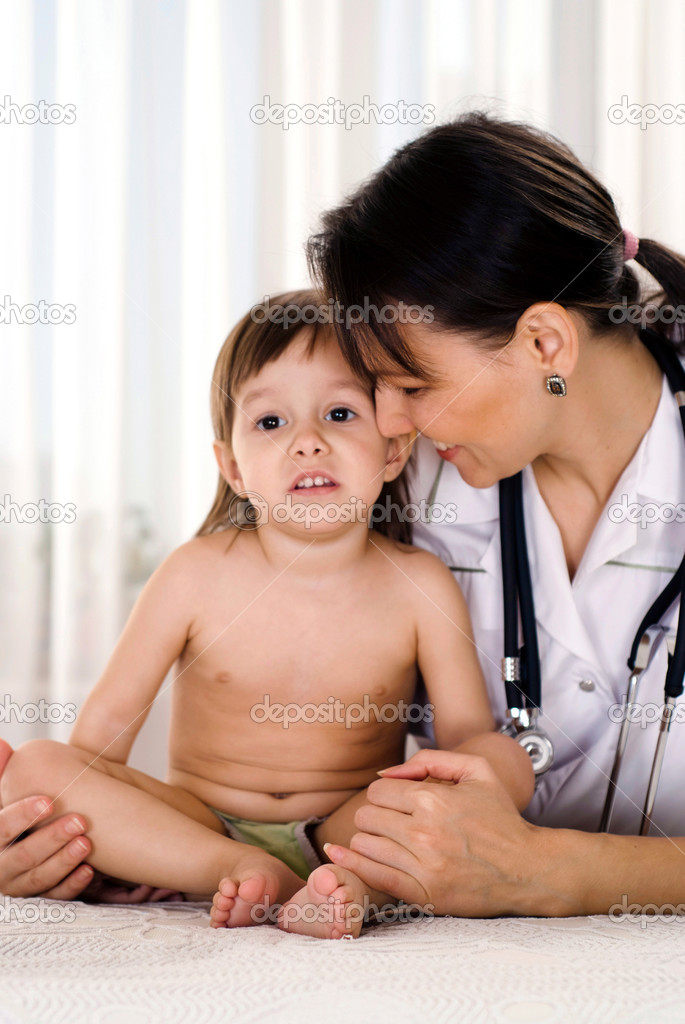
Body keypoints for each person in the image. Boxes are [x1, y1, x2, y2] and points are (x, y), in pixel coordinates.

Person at [0, 290, 533, 938]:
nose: (307, 442)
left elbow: (459, 747)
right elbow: (101, 736)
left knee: (475, 777)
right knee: (39, 769)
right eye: (271, 423)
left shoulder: (417, 584)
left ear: (393, 450)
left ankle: (349, 882)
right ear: (231, 467)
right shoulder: (195, 572)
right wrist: (96, 827)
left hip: (343, 826)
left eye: (339, 413)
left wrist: (494, 774)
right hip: (199, 819)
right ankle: (238, 866)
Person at [306, 113, 685, 917]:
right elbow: (264, 753)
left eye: (412, 387)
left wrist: (553, 871)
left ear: (545, 344)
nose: (389, 421)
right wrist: (117, 838)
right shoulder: (398, 483)